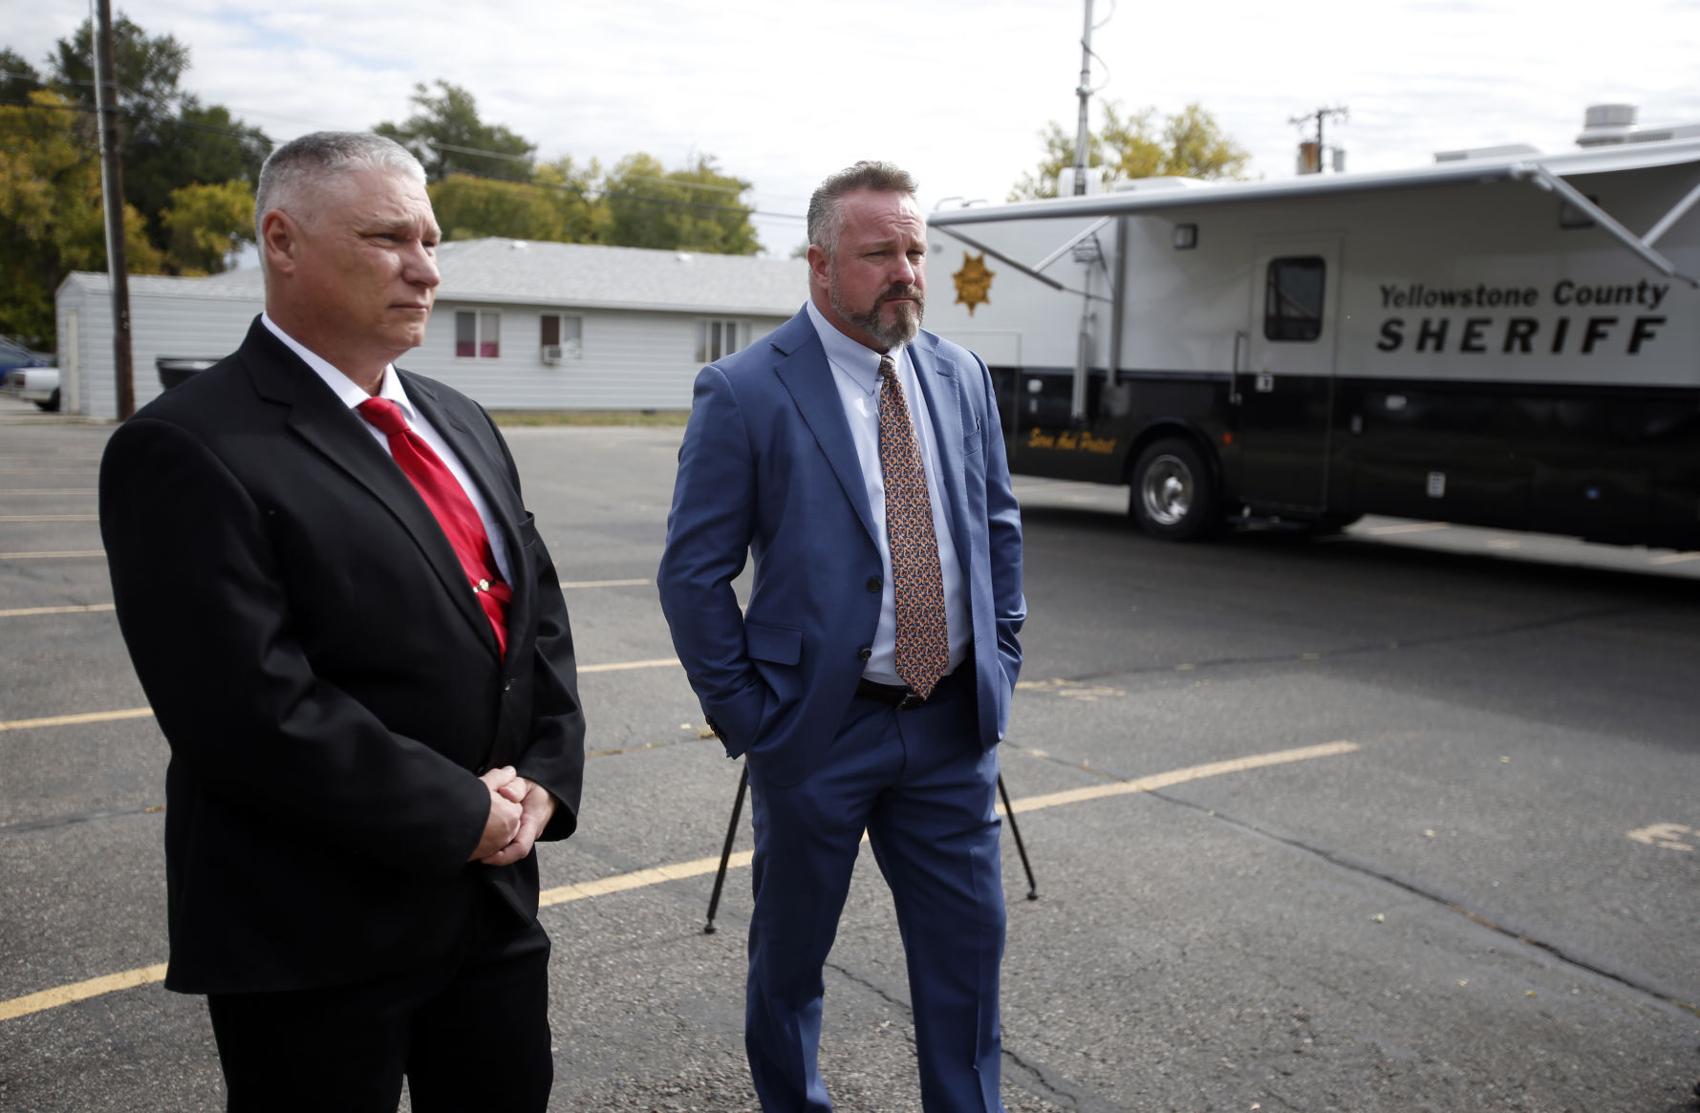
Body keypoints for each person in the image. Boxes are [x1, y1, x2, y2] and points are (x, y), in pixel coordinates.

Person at [99, 132, 585, 1112]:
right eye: (387, 238)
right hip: (311, 935)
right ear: (283, 241)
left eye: (432, 240)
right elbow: (246, 711)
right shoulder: (186, 445)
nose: (425, 269)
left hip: (489, 911)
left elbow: (533, 621)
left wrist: (543, 776)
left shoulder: (459, 420)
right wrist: (463, 815)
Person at [657, 161, 1025, 1112]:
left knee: (967, 963)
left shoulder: (960, 373)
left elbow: (997, 528)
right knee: (790, 964)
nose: (905, 270)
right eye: (879, 253)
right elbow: (694, 573)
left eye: (915, 249)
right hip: (816, 731)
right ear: (820, 264)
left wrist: (1002, 659)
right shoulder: (744, 389)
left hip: (949, 730)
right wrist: (752, 718)